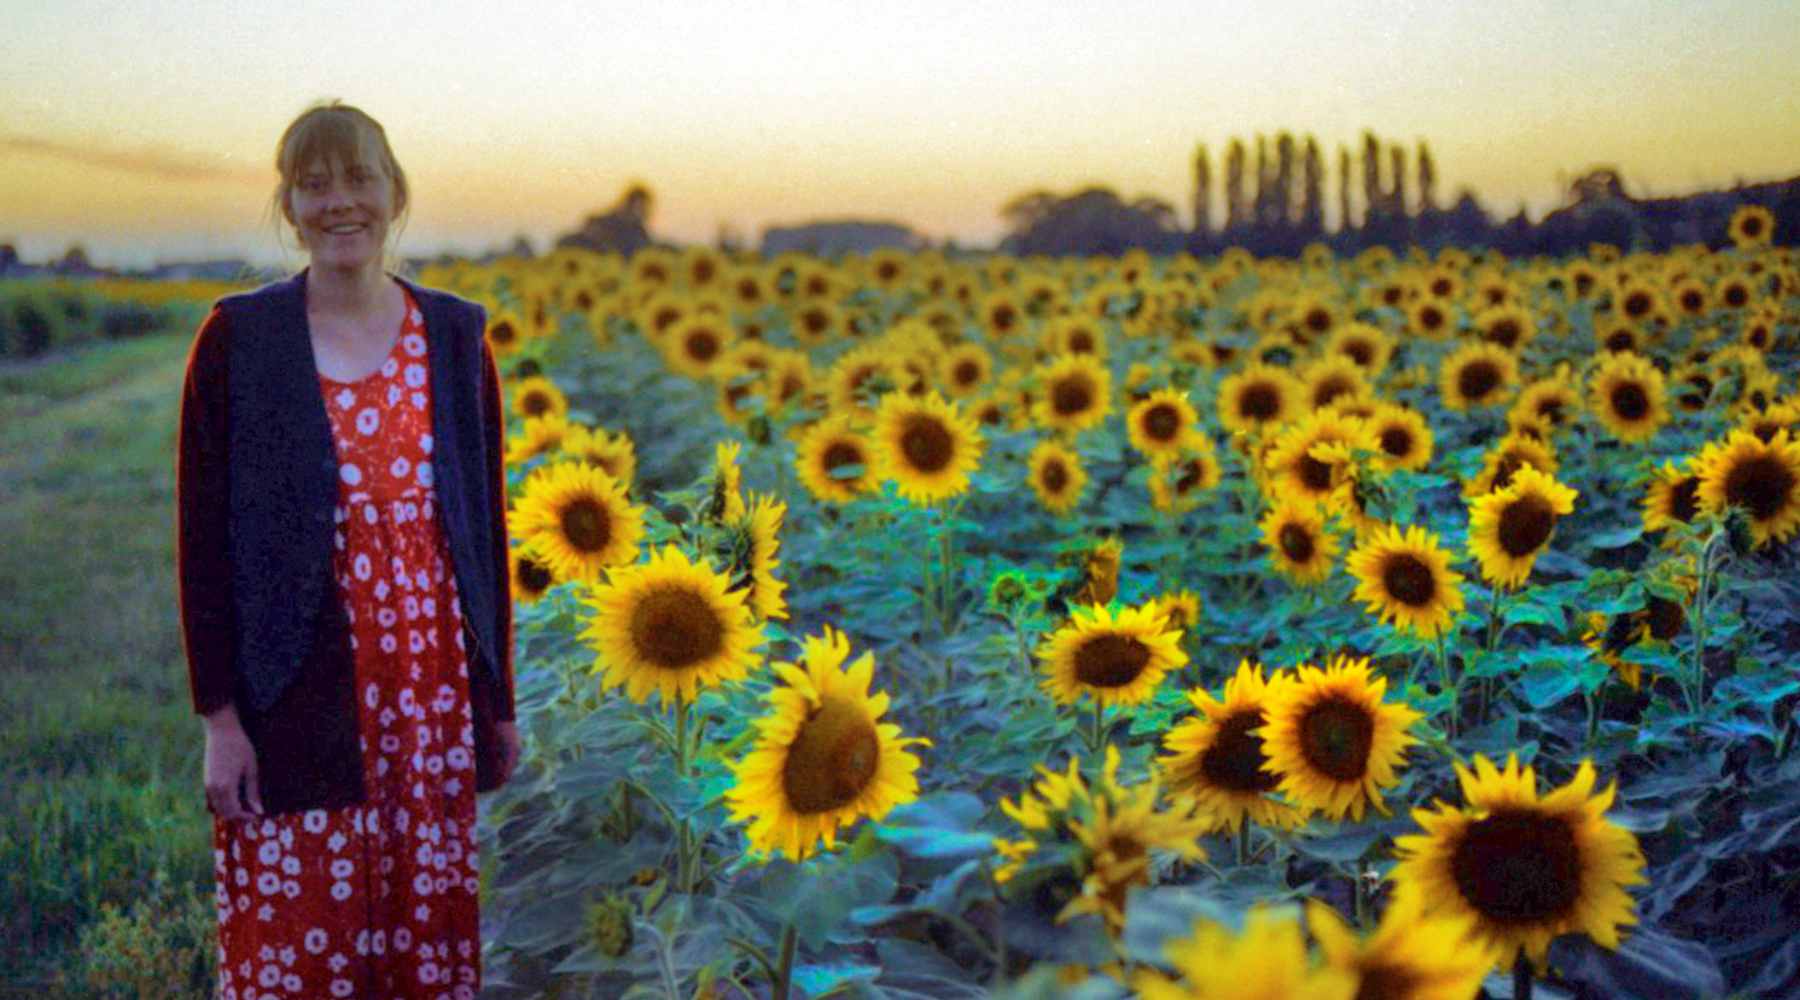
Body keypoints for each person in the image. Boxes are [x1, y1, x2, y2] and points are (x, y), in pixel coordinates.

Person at [176, 100, 522, 999]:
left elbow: (484, 533)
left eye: (359, 178)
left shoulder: (455, 336)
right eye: (314, 184)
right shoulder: (239, 341)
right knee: (303, 943)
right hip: (296, 690)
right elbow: (203, 545)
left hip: (427, 693)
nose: (340, 202)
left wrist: (497, 701)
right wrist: (220, 721)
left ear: (394, 192)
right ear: (289, 206)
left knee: (420, 939)